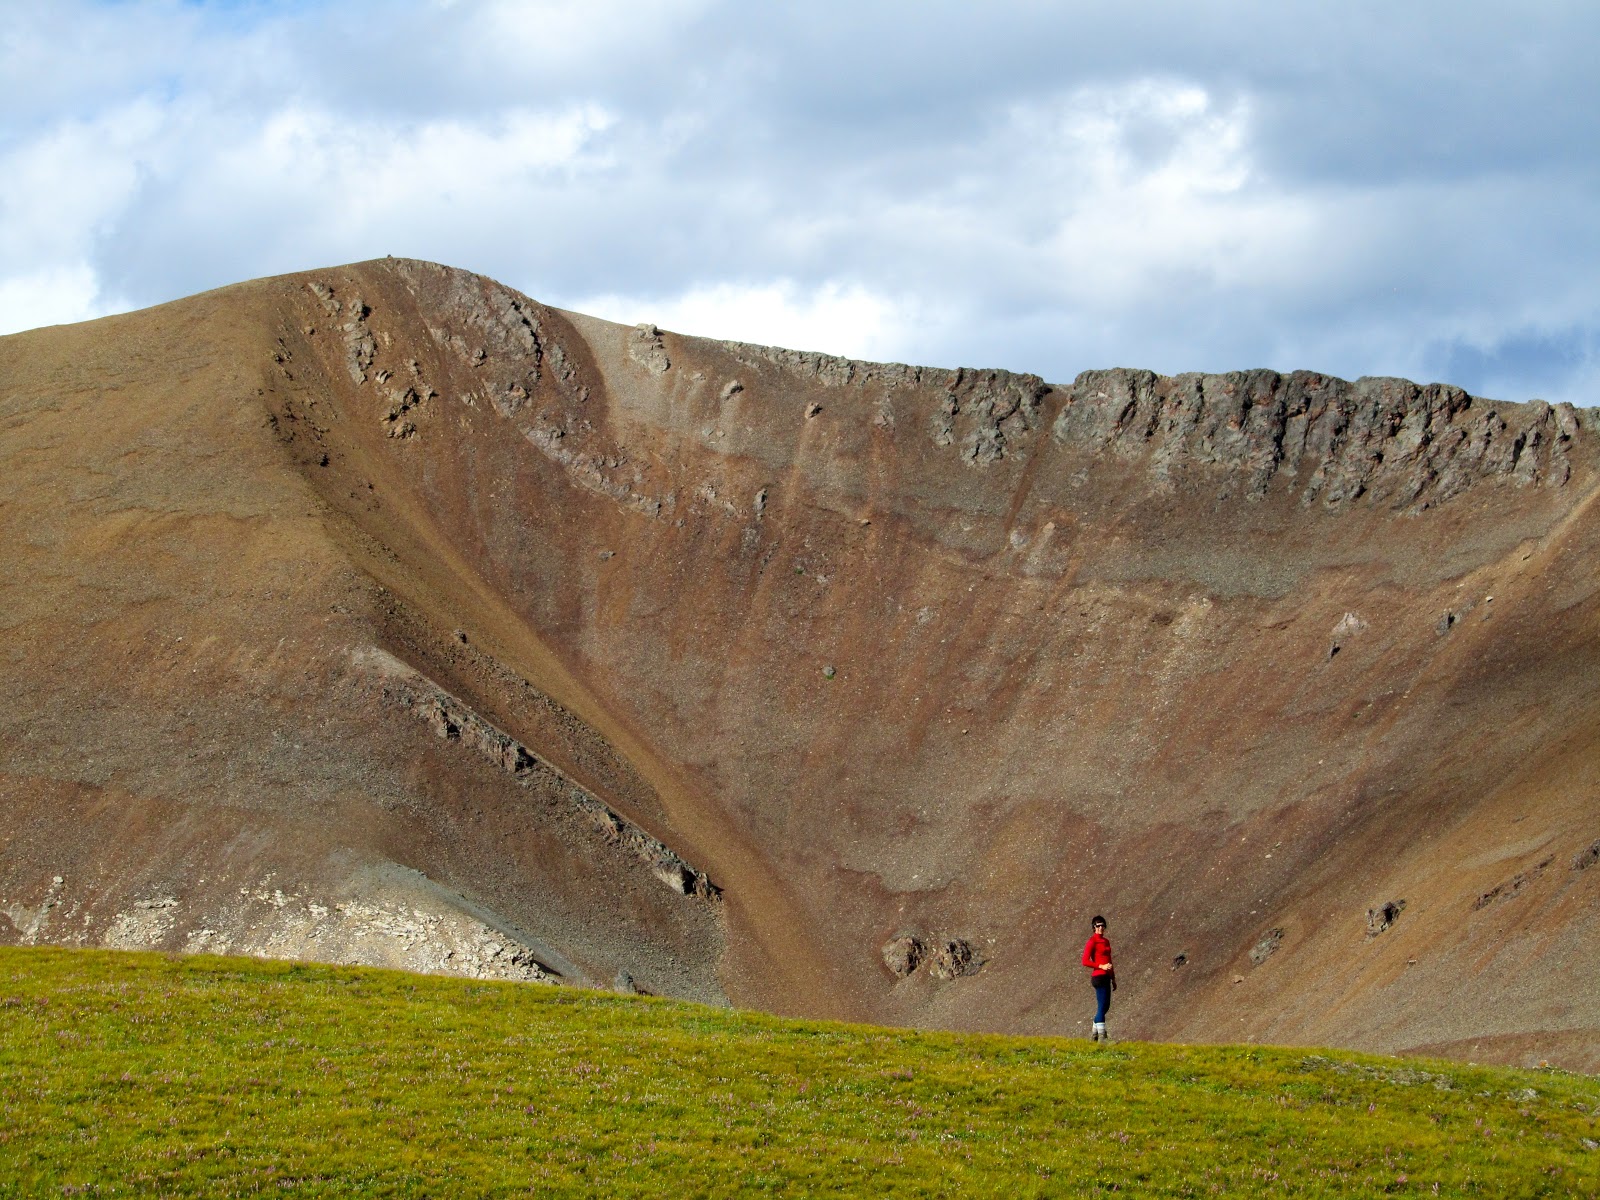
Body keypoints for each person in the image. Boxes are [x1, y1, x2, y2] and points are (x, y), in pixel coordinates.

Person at [1081, 914, 1116, 1042]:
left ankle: (1094, 1034)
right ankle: (1102, 1037)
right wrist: (1101, 966)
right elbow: (1085, 961)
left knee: (1105, 1006)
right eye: (1098, 926)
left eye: (1102, 926)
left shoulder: (1106, 941)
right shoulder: (1092, 941)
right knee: (1102, 1006)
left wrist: (1113, 977)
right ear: (1094, 927)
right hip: (1098, 976)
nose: (1100, 928)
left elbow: (1109, 960)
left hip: (1106, 976)